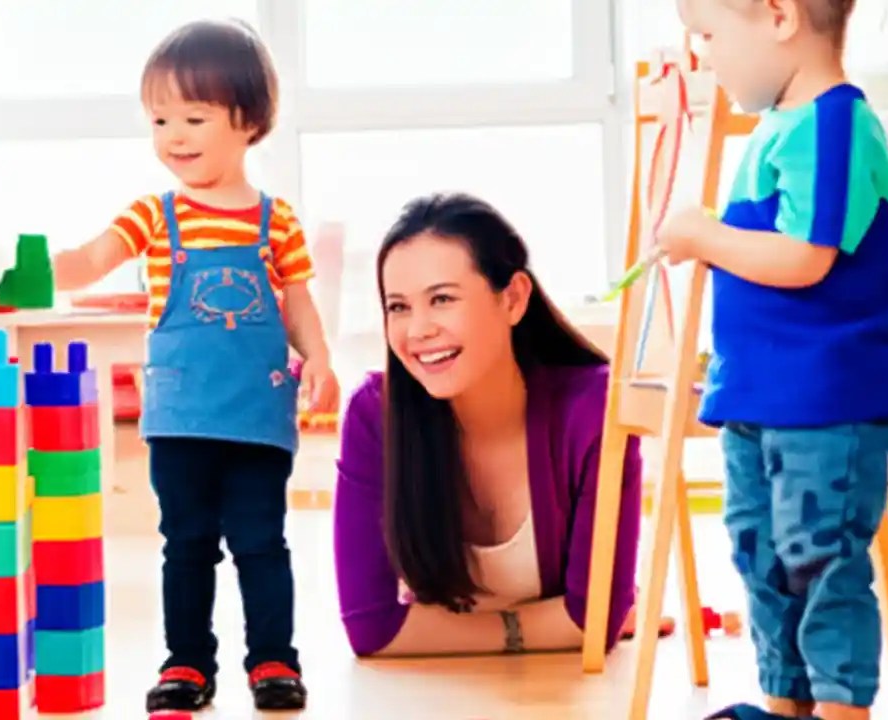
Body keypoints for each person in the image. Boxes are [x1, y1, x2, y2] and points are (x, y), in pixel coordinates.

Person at [660, 2, 888, 719]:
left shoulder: (836, 124)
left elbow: (804, 257)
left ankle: (842, 709)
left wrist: (704, 236)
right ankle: (784, 703)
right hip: (763, 398)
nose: (704, 57)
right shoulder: (781, 129)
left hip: (824, 402)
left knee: (821, 563)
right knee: (763, 560)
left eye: (711, 37)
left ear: (780, 16)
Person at [52, 18, 337, 714]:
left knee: (261, 543)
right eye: (159, 118)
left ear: (249, 122)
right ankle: (186, 662)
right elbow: (91, 260)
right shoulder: (155, 214)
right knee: (186, 546)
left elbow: (297, 301)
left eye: (193, 116)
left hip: (257, 416)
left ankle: (274, 658)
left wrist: (321, 357)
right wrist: (31, 265)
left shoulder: (276, 221)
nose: (173, 135)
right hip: (179, 417)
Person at [333, 193, 643, 659]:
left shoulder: (594, 410)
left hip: (561, 694)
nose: (418, 330)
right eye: (398, 307)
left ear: (514, 298)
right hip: (439, 694)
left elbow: (593, 619)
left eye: (441, 299)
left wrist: (446, 630)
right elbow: (371, 629)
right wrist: (546, 627)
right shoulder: (375, 414)